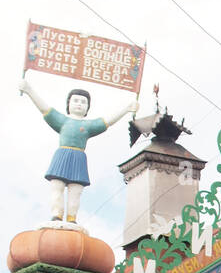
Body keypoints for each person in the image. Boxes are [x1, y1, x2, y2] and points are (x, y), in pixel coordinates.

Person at [18, 80, 137, 223]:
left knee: (76, 191)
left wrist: (127, 109)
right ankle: (57, 214)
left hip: (79, 158)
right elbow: (45, 109)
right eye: (76, 100)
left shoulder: (88, 125)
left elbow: (108, 121)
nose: (79, 104)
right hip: (62, 155)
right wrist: (29, 90)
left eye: (83, 102)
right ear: (68, 104)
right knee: (57, 187)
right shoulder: (62, 121)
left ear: (87, 107)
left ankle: (71, 218)